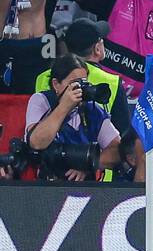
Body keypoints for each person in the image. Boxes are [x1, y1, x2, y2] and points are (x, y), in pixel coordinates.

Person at [24, 52, 122, 182]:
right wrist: (64, 106)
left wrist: (88, 164)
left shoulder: (92, 110)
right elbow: (36, 143)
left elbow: (117, 150)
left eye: (83, 83)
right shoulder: (41, 101)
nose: (80, 89)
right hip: (47, 186)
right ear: (56, 84)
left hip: (84, 189)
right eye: (75, 83)